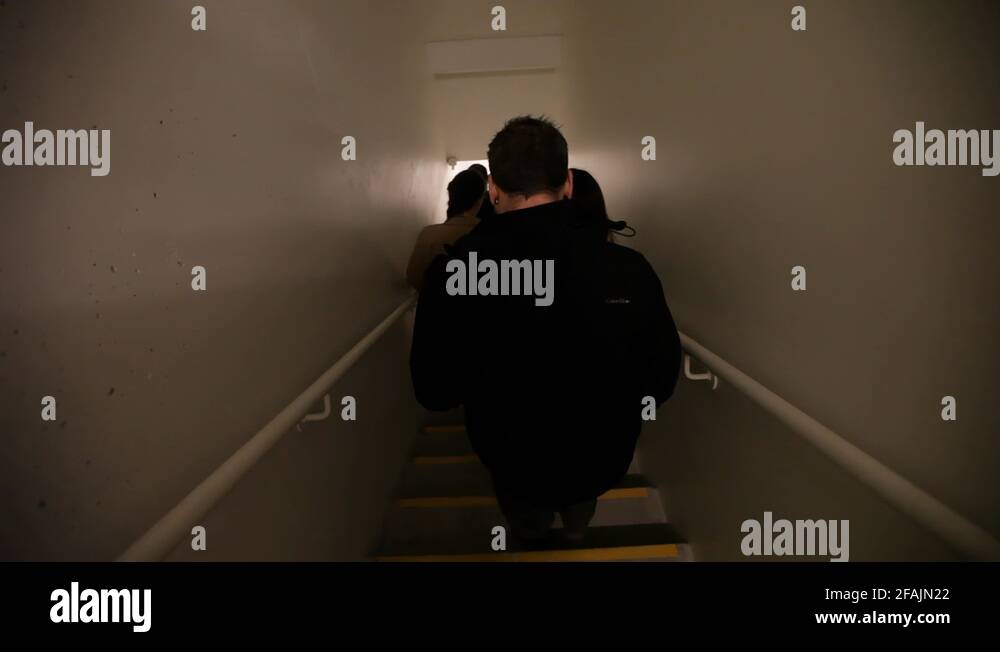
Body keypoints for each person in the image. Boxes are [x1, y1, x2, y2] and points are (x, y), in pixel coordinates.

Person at [410, 116, 681, 544]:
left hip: (511, 462)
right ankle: (574, 536)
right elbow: (661, 380)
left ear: (493, 189)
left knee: (525, 521)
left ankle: (533, 541)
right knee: (579, 511)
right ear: (568, 182)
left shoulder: (452, 275)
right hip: (599, 459)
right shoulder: (629, 270)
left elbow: (435, 392)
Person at [405, 169, 485, 291]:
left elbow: (413, 278)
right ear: (479, 201)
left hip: (435, 307)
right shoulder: (492, 235)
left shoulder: (428, 234)